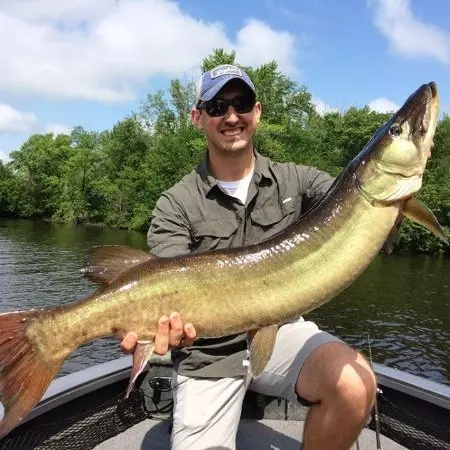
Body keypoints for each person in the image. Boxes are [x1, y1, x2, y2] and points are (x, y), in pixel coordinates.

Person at [121, 64, 377, 449]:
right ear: (198, 117)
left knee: (356, 384)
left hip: (281, 328)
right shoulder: (176, 203)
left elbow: (356, 206)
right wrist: (159, 324)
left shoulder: (299, 181)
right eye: (217, 106)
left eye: (240, 103)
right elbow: (168, 284)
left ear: (256, 111)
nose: (231, 116)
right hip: (208, 354)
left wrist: (394, 189)